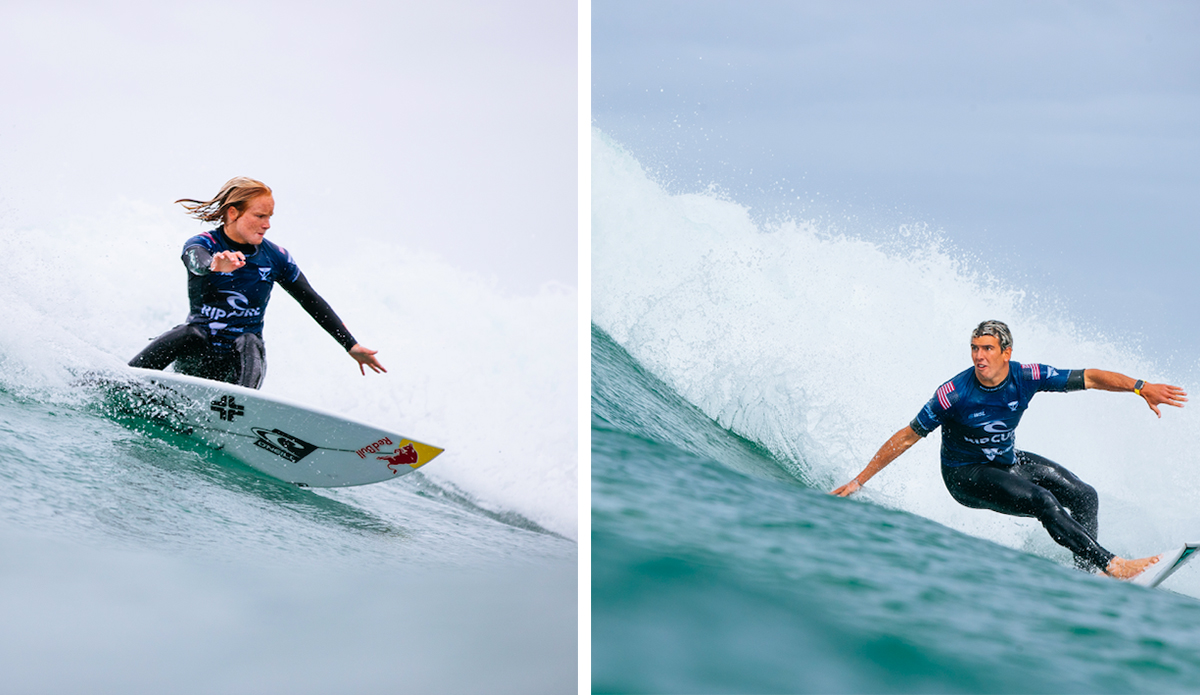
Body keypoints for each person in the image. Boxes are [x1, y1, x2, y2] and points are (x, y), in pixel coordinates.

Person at [831, 320, 1187, 580]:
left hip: (1005, 461)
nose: (979, 356)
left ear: (1006, 352)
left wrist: (1140, 387)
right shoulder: (953, 394)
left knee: (1084, 496)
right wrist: (859, 480)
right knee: (1042, 500)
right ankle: (1112, 565)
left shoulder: (1026, 376)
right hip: (966, 476)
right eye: (974, 348)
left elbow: (1090, 377)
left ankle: (1088, 574)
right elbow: (908, 435)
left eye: (987, 348)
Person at [129, 177, 385, 388]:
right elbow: (196, 261)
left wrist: (350, 344)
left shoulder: (276, 258)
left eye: (270, 216)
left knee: (249, 340)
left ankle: (245, 406)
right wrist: (215, 265)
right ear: (233, 213)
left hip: (239, 367)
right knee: (190, 333)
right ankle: (126, 380)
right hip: (196, 359)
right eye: (260, 216)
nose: (267, 225)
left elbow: (311, 299)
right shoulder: (204, 244)